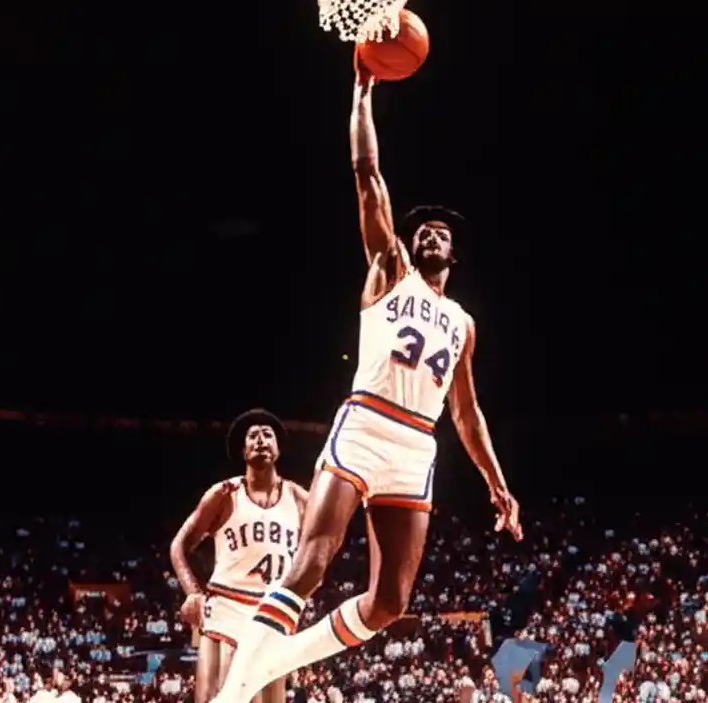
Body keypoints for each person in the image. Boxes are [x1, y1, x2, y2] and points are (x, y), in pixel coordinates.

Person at [210, 60, 522, 703]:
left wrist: (498, 485)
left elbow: (467, 413)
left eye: (443, 234)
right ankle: (239, 688)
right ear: (410, 245)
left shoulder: (463, 323)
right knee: (315, 560)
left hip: (417, 447)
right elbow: (367, 175)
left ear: (454, 256)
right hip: (367, 422)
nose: (432, 234)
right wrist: (361, 94)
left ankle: (274, 661)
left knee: (390, 601)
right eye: (424, 230)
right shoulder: (390, 270)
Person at [170, 408, 309, 703]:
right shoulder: (223, 494)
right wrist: (192, 593)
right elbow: (179, 546)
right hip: (227, 604)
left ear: (278, 448)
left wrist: (302, 593)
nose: (261, 440)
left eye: (267, 435)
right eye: (253, 436)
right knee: (216, 697)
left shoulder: (299, 498)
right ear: (243, 450)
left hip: (273, 608)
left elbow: (321, 550)